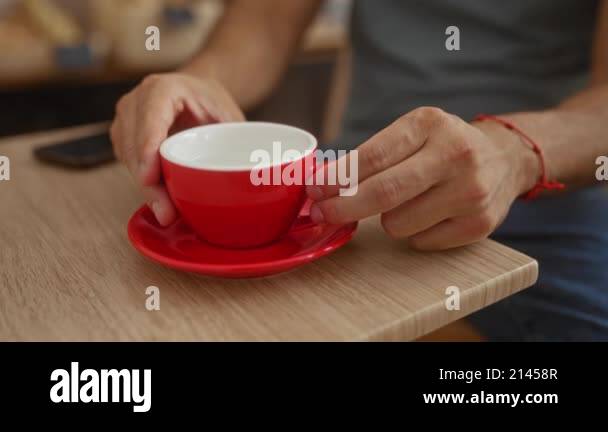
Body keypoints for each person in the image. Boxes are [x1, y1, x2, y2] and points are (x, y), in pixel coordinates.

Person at [111, 0, 608, 341]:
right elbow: (261, 26)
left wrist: (515, 153)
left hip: (548, 191)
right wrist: (198, 82)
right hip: (355, 187)